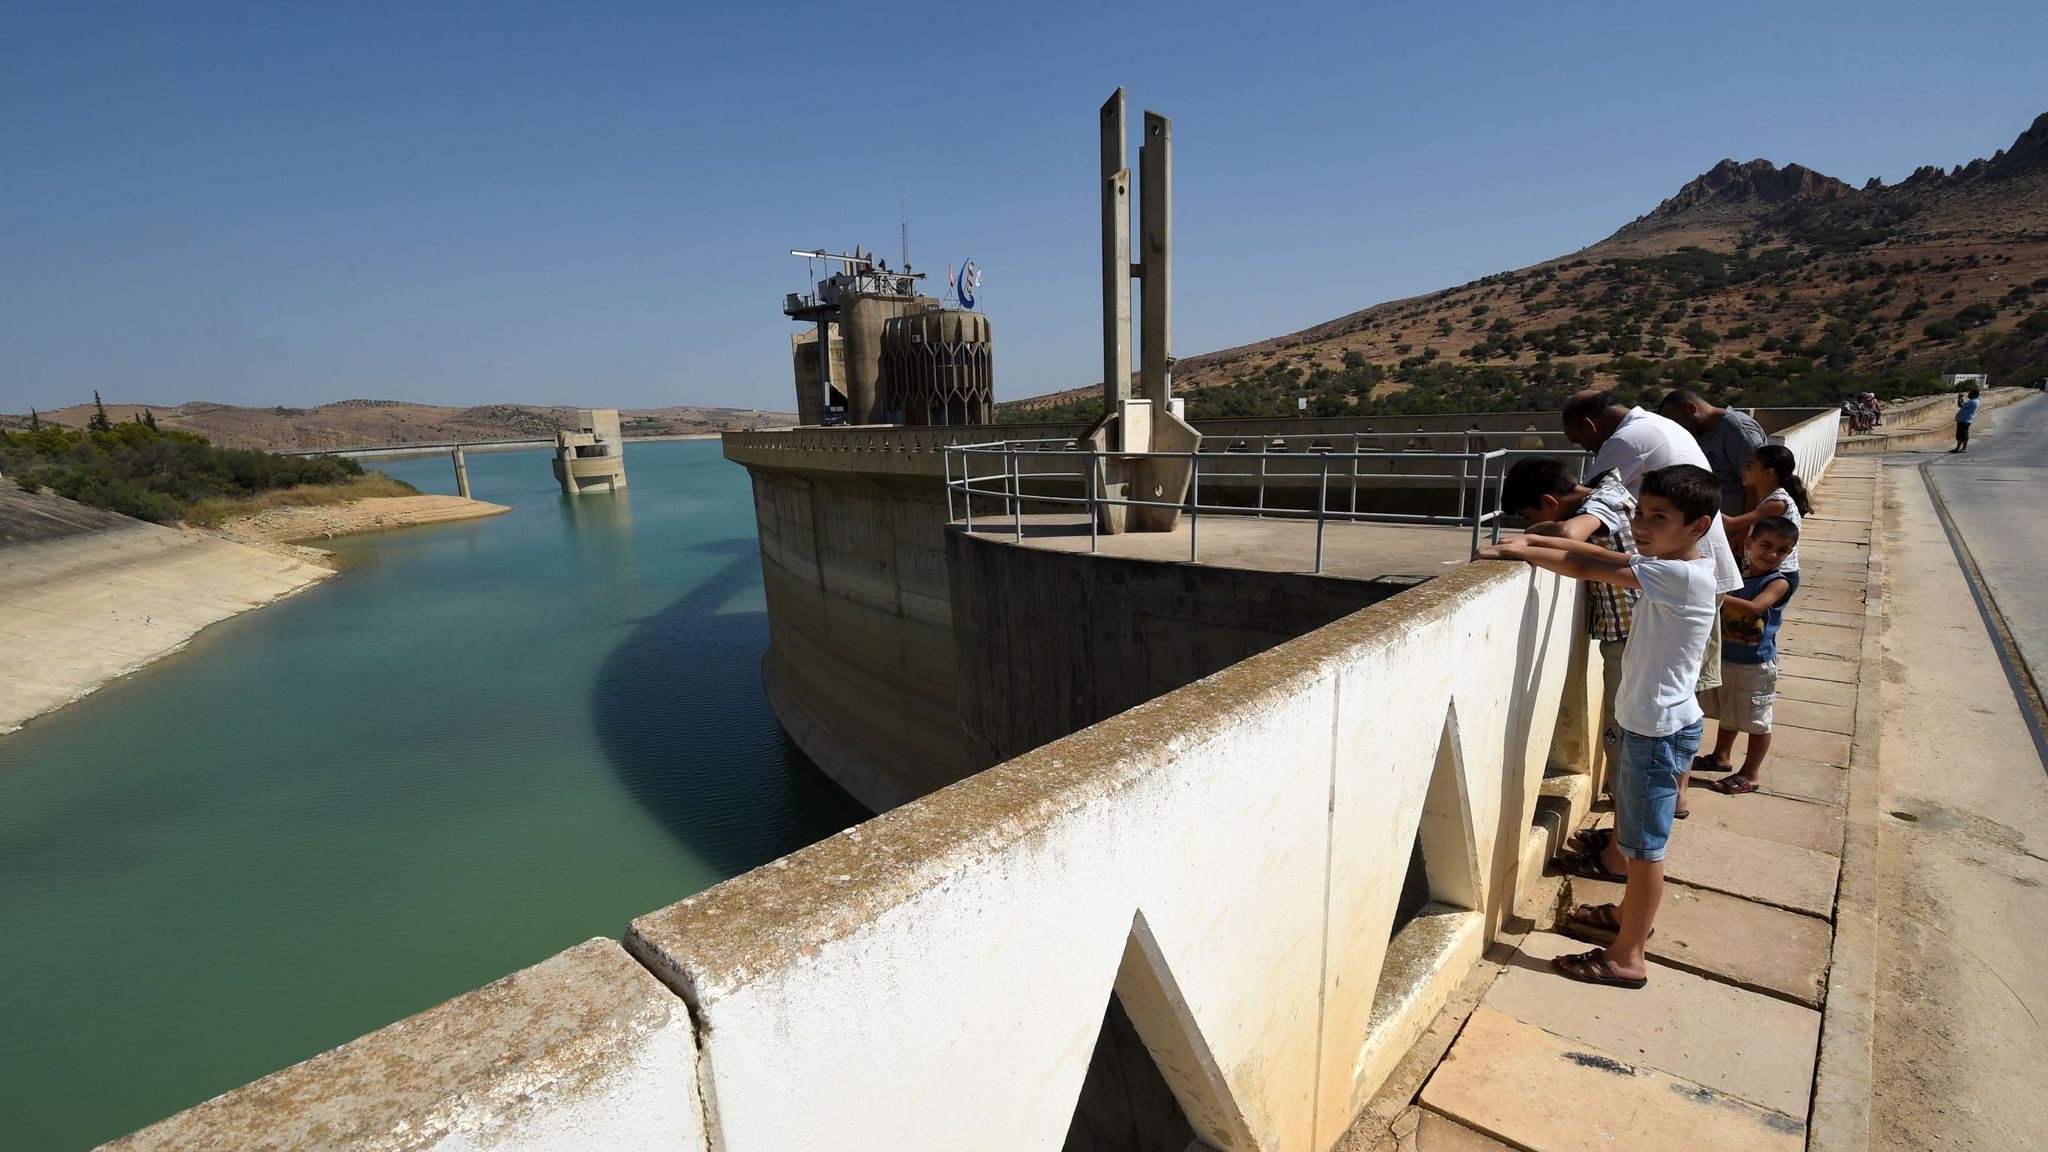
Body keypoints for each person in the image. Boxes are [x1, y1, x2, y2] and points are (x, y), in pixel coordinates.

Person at [1478, 464, 1722, 989]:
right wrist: (1529, 544)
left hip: (1656, 733)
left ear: (1697, 527)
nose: (1642, 525)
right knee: (1637, 844)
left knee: (1644, 852)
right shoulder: (1676, 565)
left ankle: (1628, 957)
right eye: (1642, 513)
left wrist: (1521, 550)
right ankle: (1627, 917)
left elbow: (1585, 564)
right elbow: (1609, 557)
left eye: (1659, 518)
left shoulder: (1680, 576)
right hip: (1655, 726)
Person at [1563, 390, 1743, 815]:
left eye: (1578, 440)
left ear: (1589, 426)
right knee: (1686, 686)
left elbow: (1587, 505)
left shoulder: (1624, 442)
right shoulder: (1659, 426)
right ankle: (1672, 795)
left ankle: (1648, 806)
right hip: (1700, 570)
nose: (1585, 449)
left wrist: (1535, 534)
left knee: (1664, 696)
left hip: (1676, 576)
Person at [1500, 458, 1637, 777]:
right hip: (1635, 630)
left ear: (1549, 502)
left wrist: (1532, 536)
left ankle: (1624, 803)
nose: (1530, 523)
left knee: (1621, 724)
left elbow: (1569, 533)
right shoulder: (1609, 487)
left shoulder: (1600, 502)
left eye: (1530, 515)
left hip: (1627, 635)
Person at [1694, 517, 1799, 795]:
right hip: (1727, 657)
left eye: (1781, 550)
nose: (1772, 554)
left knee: (1757, 720)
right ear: (1749, 543)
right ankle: (1721, 756)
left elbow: (1754, 608)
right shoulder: (1738, 573)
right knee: (1730, 711)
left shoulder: (1778, 583)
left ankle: (1751, 774)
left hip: (1756, 665)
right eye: (1766, 545)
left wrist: (1710, 593)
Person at [1718, 444, 1813, 596]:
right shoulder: (1770, 498)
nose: (1743, 470)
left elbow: (1729, 524)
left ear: (1769, 472)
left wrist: (1702, 501)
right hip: (1766, 570)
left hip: (1777, 575)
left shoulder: (1777, 503)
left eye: (1749, 466)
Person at [1657, 389, 1768, 516]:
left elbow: (1757, 484)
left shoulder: (1735, 429)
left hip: (1735, 523)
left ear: (1691, 408)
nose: (1676, 428)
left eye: (1675, 421)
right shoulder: (1700, 432)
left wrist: (1744, 525)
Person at [1952, 388, 1982, 453]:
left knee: (1964, 435)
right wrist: (1961, 399)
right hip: (1963, 420)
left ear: (1974, 395)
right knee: (1960, 435)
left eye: (1970, 393)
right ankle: (1958, 448)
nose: (1968, 394)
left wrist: (1959, 398)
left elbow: (1960, 405)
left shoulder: (1973, 401)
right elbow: (1963, 404)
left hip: (1965, 420)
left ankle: (1964, 449)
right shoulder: (1973, 401)